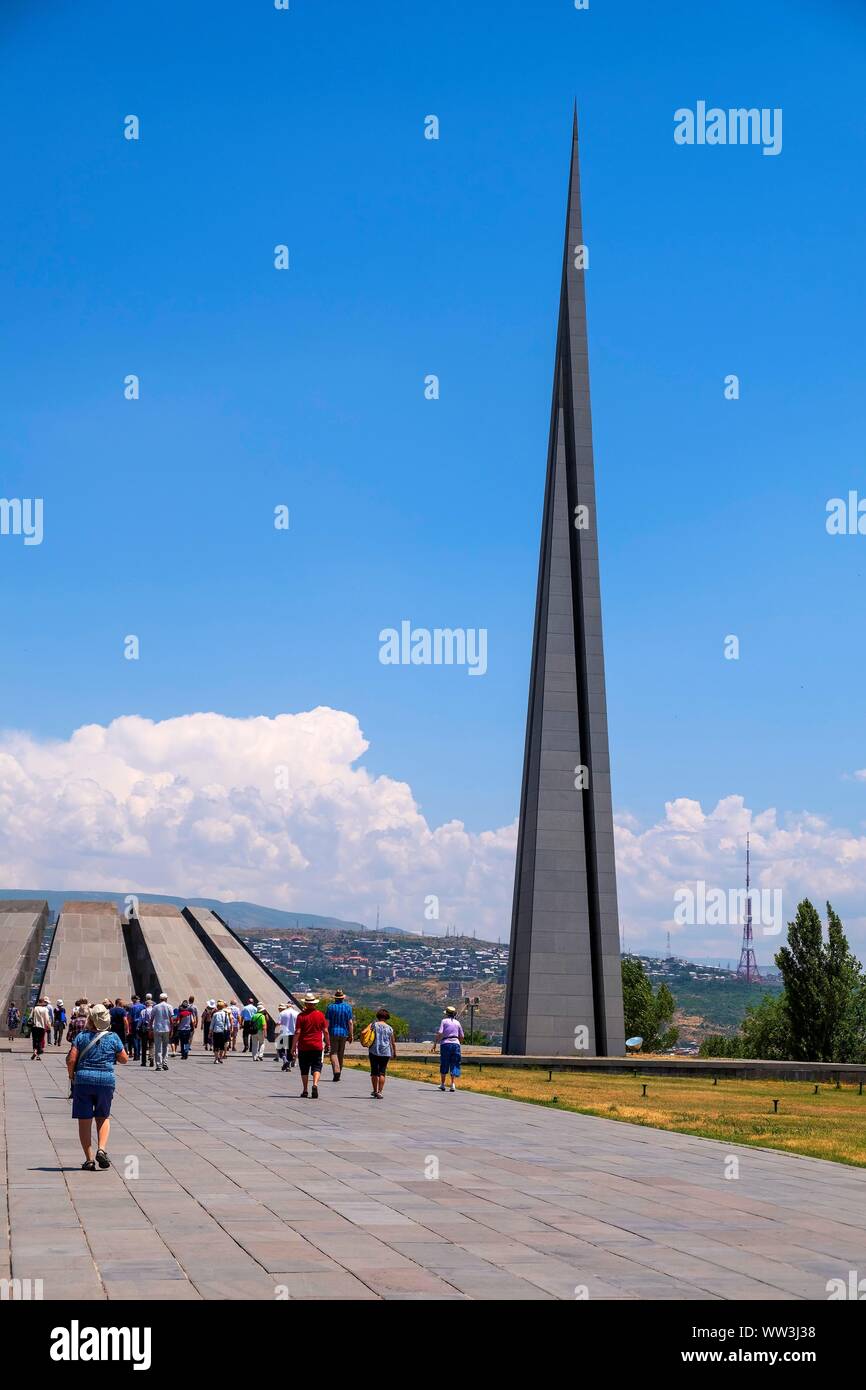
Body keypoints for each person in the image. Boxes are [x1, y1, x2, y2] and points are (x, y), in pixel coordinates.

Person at [67, 1002, 128, 1170]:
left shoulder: (81, 1037)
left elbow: (72, 1059)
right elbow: (124, 1059)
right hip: (106, 1082)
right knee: (103, 1116)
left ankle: (89, 1159)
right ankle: (102, 1149)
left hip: (84, 1080)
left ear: (91, 1019)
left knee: (84, 1120)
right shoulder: (113, 1037)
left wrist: (71, 1075)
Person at [291, 993, 330, 1099]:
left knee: (304, 1068)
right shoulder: (320, 1015)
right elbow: (325, 1031)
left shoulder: (301, 1016)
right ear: (314, 1004)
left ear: (305, 1003)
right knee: (317, 1066)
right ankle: (315, 1084)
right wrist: (328, 1044)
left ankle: (305, 1090)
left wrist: (293, 1046)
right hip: (317, 1045)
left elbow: (298, 1032)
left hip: (304, 1046)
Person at [433, 1005, 464, 1092]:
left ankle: (443, 1084)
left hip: (446, 1043)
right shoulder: (458, 1023)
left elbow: (440, 1032)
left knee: (444, 1062)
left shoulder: (444, 1021)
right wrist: (459, 1043)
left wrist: (435, 1043)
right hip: (456, 1044)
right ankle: (452, 1084)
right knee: (454, 1063)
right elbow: (462, 1036)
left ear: (446, 1014)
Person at [325, 990, 354, 1081]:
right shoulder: (348, 1007)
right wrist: (351, 1035)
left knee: (333, 1053)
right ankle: (339, 1073)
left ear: (335, 998)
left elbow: (327, 1022)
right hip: (344, 1033)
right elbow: (350, 1022)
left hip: (333, 1032)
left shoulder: (330, 1007)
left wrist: (325, 1034)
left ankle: (336, 1071)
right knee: (340, 1054)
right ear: (343, 998)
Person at [368, 1008, 396, 1099]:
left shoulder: (374, 1025)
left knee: (374, 1072)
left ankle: (375, 1090)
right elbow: (392, 1042)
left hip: (374, 1051)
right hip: (385, 1052)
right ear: (386, 1017)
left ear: (378, 1016)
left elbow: (365, 1032)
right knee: (382, 1072)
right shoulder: (390, 1028)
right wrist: (394, 1052)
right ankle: (380, 1092)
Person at [151, 993, 173, 1071]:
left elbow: (151, 1019)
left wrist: (150, 1028)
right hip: (166, 1029)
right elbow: (171, 1019)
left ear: (160, 999)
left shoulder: (155, 1007)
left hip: (157, 1029)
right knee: (165, 1047)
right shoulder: (169, 1006)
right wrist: (172, 1029)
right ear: (166, 999)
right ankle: (165, 1063)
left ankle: (158, 1065)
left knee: (158, 1047)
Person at [277, 1000, 298, 1071]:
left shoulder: (282, 1013)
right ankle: (288, 1066)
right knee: (290, 1050)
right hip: (293, 1034)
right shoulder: (297, 1014)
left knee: (281, 1049)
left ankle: (285, 1060)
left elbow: (278, 1024)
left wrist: (276, 1034)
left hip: (283, 1033)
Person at [139, 994, 155, 1068]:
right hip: (152, 1029)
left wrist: (137, 1027)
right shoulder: (154, 1011)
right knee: (152, 1045)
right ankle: (151, 1057)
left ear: (146, 1004)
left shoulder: (143, 1011)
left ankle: (144, 1062)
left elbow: (141, 1020)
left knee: (144, 1046)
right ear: (152, 1004)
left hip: (145, 1029)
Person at [130, 995, 144, 1061]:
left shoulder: (132, 1007)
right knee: (140, 1039)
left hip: (134, 1023)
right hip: (141, 1023)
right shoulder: (143, 1006)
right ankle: (139, 1054)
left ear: (133, 999)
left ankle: (136, 1055)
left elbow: (130, 1017)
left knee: (135, 1039)